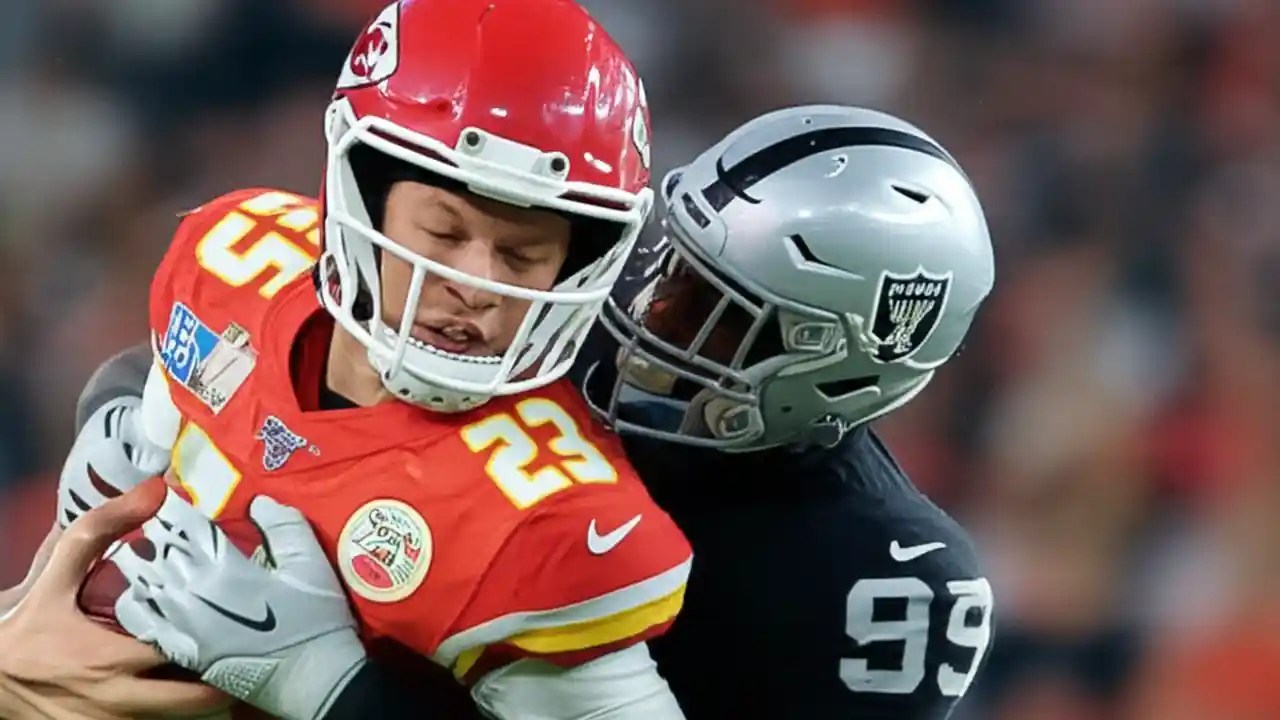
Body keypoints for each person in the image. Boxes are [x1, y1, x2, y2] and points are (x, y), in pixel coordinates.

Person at [106, 105, 999, 719]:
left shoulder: (886, 584)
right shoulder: (548, 327)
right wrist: (133, 427)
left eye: (712, 311)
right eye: (667, 262)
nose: (646, 316)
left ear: (835, 364)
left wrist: (338, 690)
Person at [1, 2, 693, 719]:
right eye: (442, 230)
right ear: (362, 198)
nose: (474, 284)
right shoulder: (234, 264)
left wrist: (334, 688)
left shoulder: (545, 517)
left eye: (521, 255)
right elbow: (154, 422)